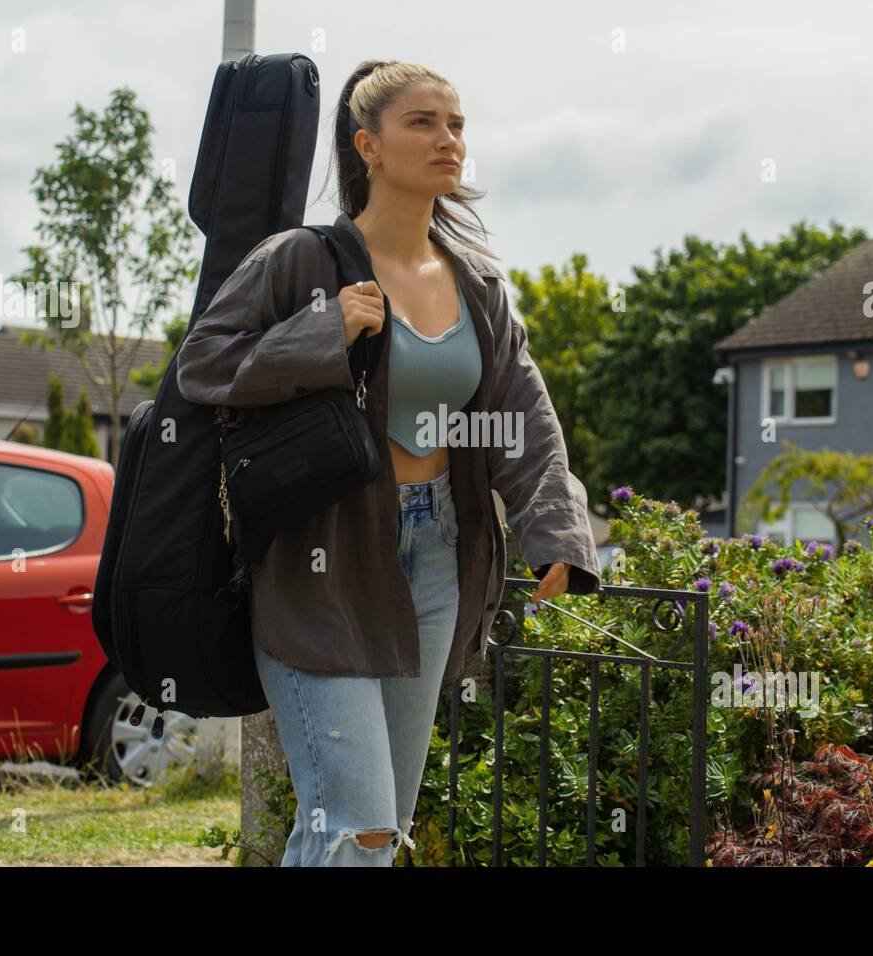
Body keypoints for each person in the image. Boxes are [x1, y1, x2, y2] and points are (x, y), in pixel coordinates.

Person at [176, 59, 600, 865]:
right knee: (359, 829)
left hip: (438, 559)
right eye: (424, 122)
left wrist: (557, 534)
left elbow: (524, 420)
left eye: (458, 124)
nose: (449, 140)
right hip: (319, 561)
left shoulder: (477, 286)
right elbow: (201, 365)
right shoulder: (300, 259)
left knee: (368, 829)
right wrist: (319, 333)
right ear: (367, 145)